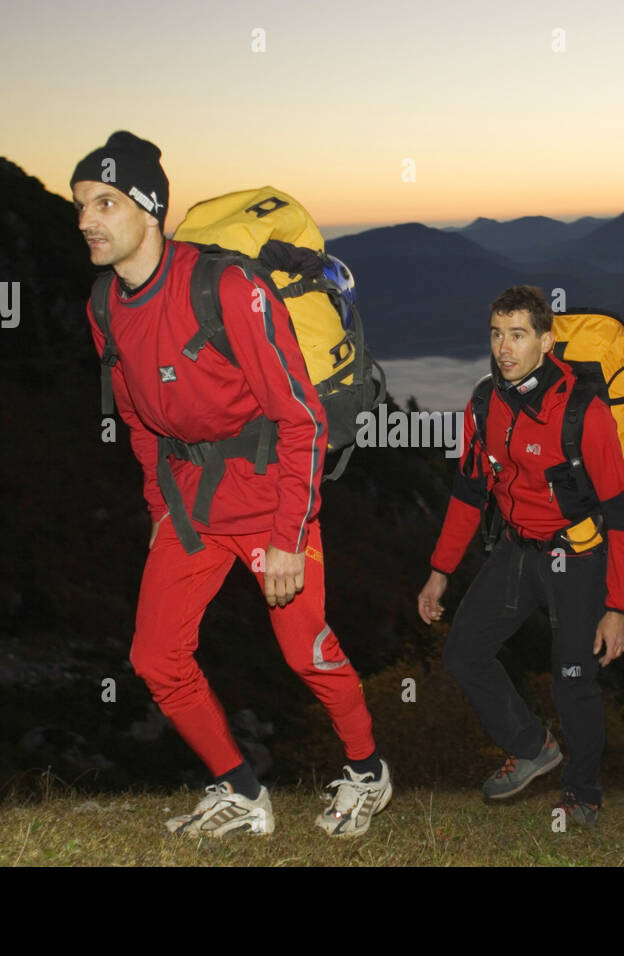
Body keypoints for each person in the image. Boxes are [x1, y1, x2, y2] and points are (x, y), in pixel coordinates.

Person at [71, 131, 390, 838]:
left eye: (105, 202)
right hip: (189, 506)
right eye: (81, 204)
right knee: (156, 657)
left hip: (269, 494)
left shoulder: (226, 287)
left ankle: (368, 770)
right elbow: (137, 420)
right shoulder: (104, 305)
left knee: (305, 651)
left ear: (150, 211)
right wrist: (160, 509)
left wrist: (285, 540)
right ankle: (241, 792)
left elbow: (302, 418)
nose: (87, 218)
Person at [417, 285, 624, 828]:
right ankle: (531, 744)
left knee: (572, 679)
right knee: (464, 653)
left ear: (546, 340)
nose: (504, 348)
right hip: (517, 549)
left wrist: (619, 607)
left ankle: (583, 796)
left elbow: (623, 514)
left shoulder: (583, 415)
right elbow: (470, 492)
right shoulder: (483, 403)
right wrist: (439, 571)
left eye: (517, 335)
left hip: (578, 557)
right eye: (496, 334)